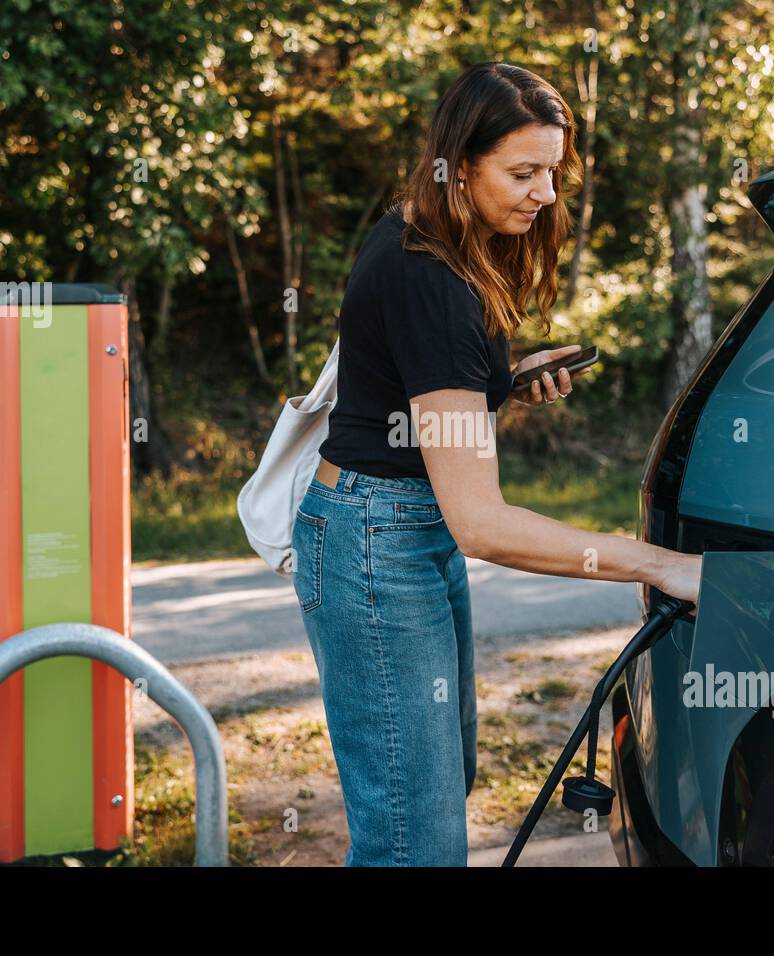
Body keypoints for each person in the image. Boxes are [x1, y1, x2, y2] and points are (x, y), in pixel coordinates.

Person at [289, 62, 702, 866]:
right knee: (415, 841)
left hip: (395, 528)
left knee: (434, 795)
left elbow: (410, 404)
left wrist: (499, 386)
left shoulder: (434, 238)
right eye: (523, 172)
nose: (545, 193)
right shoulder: (431, 278)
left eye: (553, 171)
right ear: (460, 163)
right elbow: (481, 524)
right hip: (379, 544)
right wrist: (665, 565)